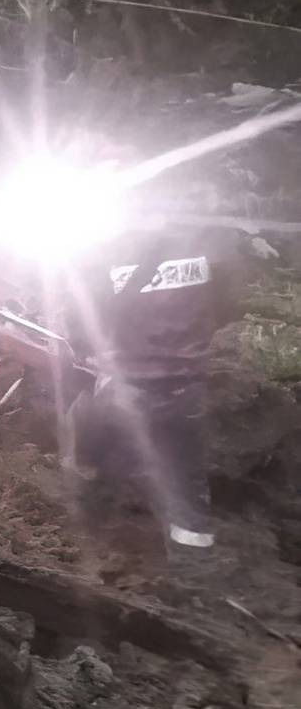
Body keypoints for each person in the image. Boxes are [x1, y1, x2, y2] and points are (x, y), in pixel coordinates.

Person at [61, 200, 250, 566]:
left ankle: (100, 530)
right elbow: (228, 304)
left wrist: (86, 348)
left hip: (128, 389)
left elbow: (82, 315)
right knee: (186, 475)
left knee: (89, 439)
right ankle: (192, 559)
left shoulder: (108, 251)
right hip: (187, 390)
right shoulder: (204, 244)